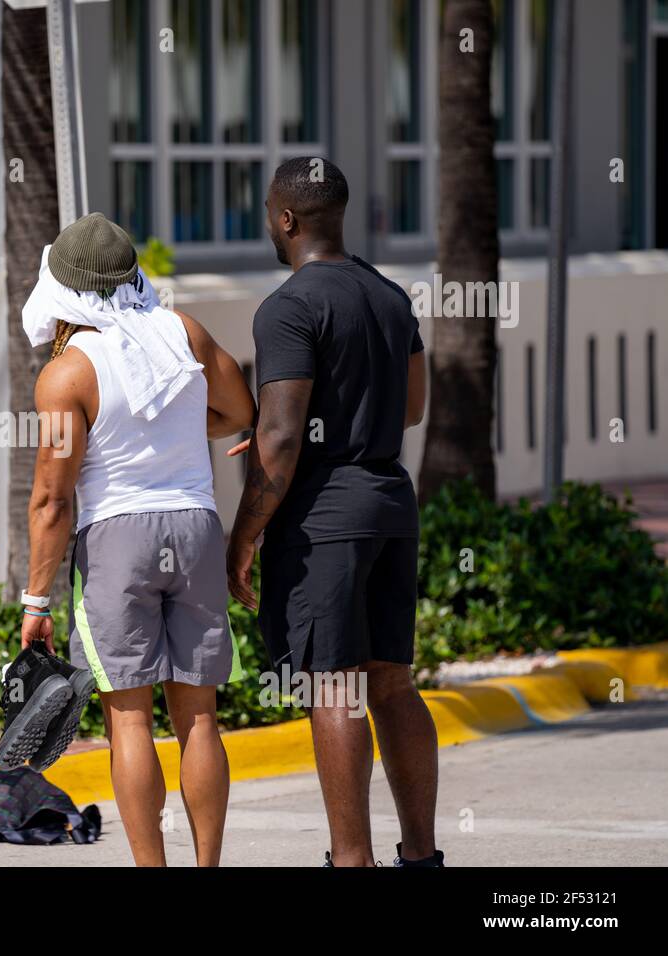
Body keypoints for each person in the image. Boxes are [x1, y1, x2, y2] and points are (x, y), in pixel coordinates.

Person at [21, 212, 255, 866]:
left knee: (129, 721)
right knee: (200, 720)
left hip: (117, 541)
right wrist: (176, 434)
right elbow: (240, 412)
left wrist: (36, 602)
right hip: (196, 528)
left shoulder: (66, 375)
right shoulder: (184, 334)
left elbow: (51, 499)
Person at [227, 157, 442, 867]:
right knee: (393, 683)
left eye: (269, 210)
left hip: (327, 518)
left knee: (337, 686)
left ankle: (352, 860)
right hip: (389, 502)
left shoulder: (289, 306)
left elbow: (284, 440)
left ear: (286, 219)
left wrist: (245, 535)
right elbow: (410, 409)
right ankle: (421, 855)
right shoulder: (387, 295)